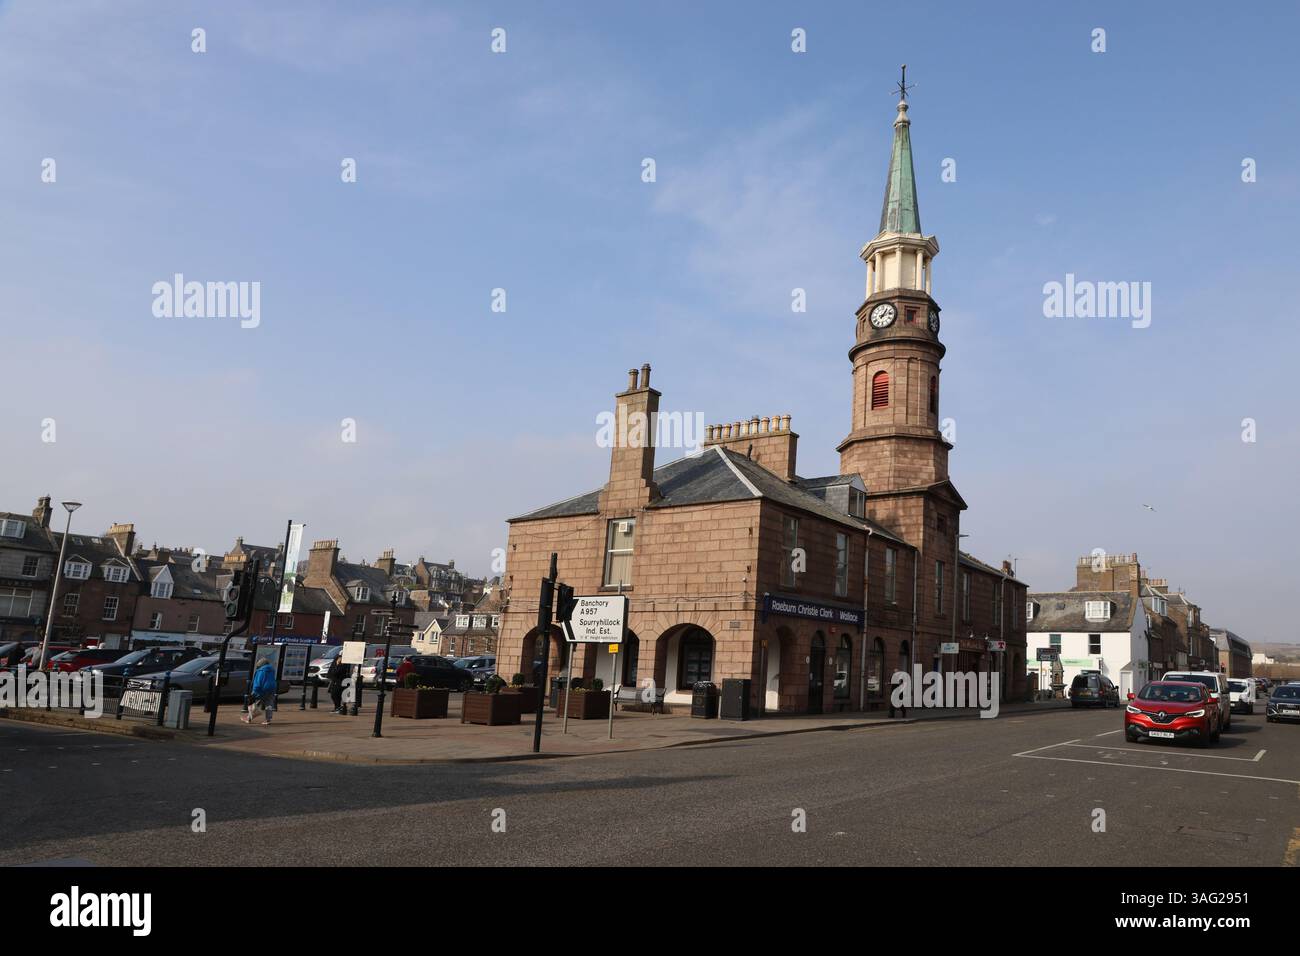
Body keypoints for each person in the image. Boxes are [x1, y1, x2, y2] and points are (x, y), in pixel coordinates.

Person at [242, 659, 278, 725]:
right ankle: (268, 720)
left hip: (262, 689)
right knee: (269, 704)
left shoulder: (261, 671)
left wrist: (254, 691)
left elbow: (258, 682)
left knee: (254, 704)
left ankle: (248, 718)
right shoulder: (271, 670)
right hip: (272, 688)